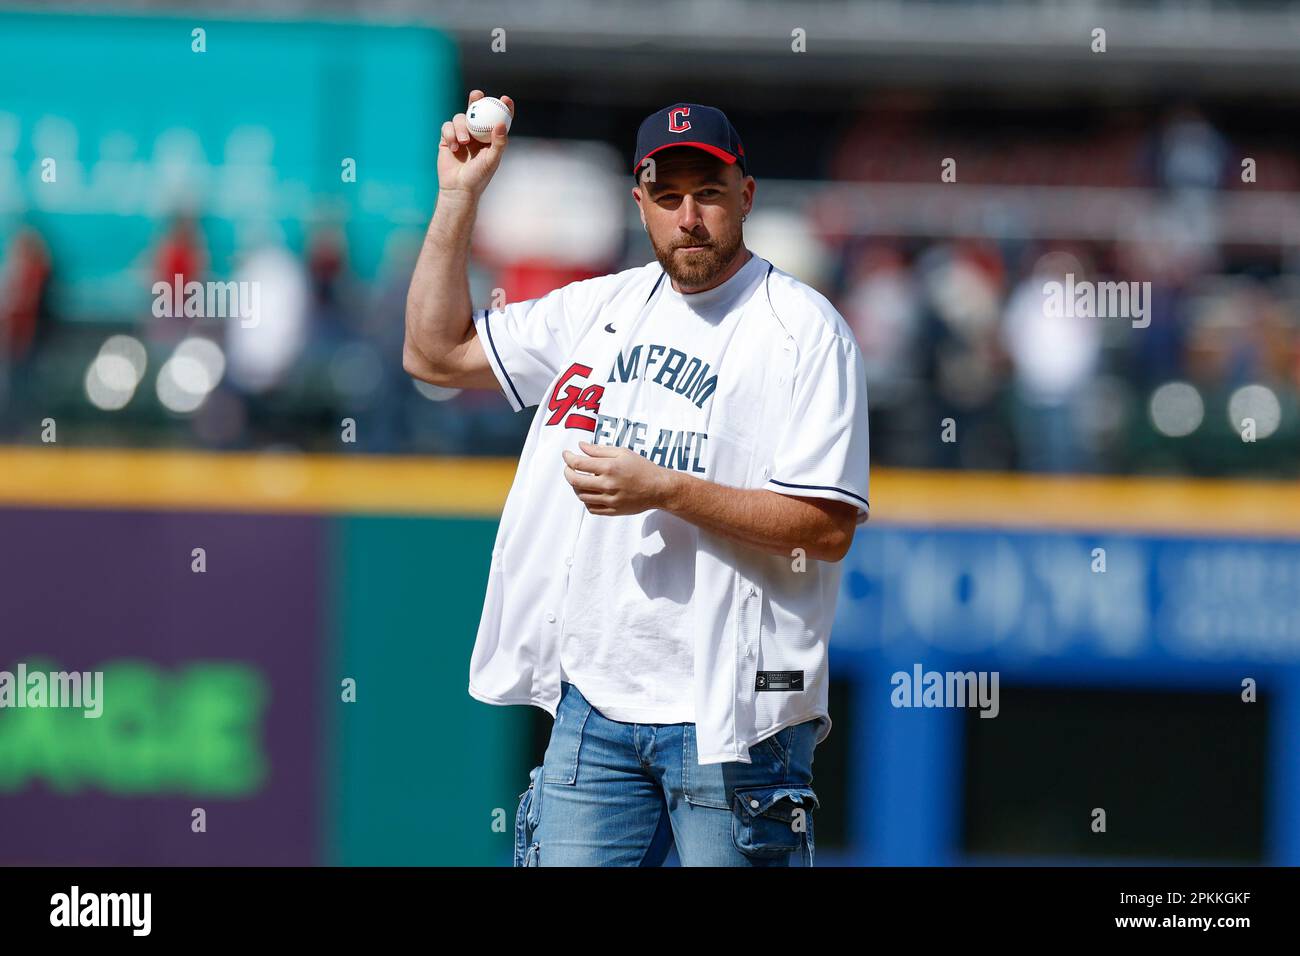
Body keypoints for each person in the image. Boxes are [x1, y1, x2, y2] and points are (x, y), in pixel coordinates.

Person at [404, 94, 871, 866]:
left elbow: (825, 528)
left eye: (710, 193)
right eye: (668, 195)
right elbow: (434, 353)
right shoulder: (599, 306)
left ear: (745, 197)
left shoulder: (804, 332)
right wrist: (458, 197)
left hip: (735, 717)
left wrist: (666, 489)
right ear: (641, 203)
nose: (690, 216)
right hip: (594, 704)